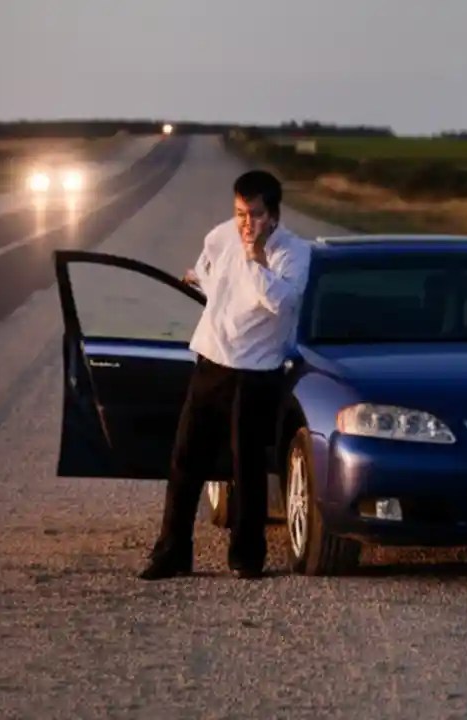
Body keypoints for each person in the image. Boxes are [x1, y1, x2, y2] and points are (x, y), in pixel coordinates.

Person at [140, 170, 311, 581]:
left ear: (273, 214)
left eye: (254, 214)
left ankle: (247, 558)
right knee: (185, 461)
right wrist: (200, 278)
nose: (245, 223)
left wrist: (255, 259)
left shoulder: (294, 253)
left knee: (247, 468)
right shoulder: (222, 235)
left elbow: (280, 304)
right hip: (211, 362)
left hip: (255, 374)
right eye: (239, 213)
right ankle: (172, 552)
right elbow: (209, 267)